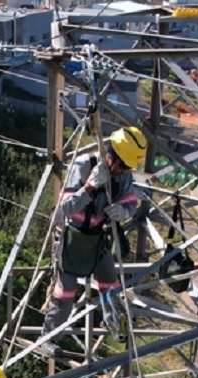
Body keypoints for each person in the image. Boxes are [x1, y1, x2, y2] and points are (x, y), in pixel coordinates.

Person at [36, 126, 147, 358]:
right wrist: (89, 187)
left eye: (128, 168)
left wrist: (124, 210)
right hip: (71, 237)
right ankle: (47, 339)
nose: (125, 172)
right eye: (123, 166)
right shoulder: (84, 166)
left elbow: (130, 202)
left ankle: (115, 323)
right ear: (110, 157)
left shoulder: (122, 176)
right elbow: (64, 208)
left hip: (97, 237)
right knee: (65, 292)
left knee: (110, 284)